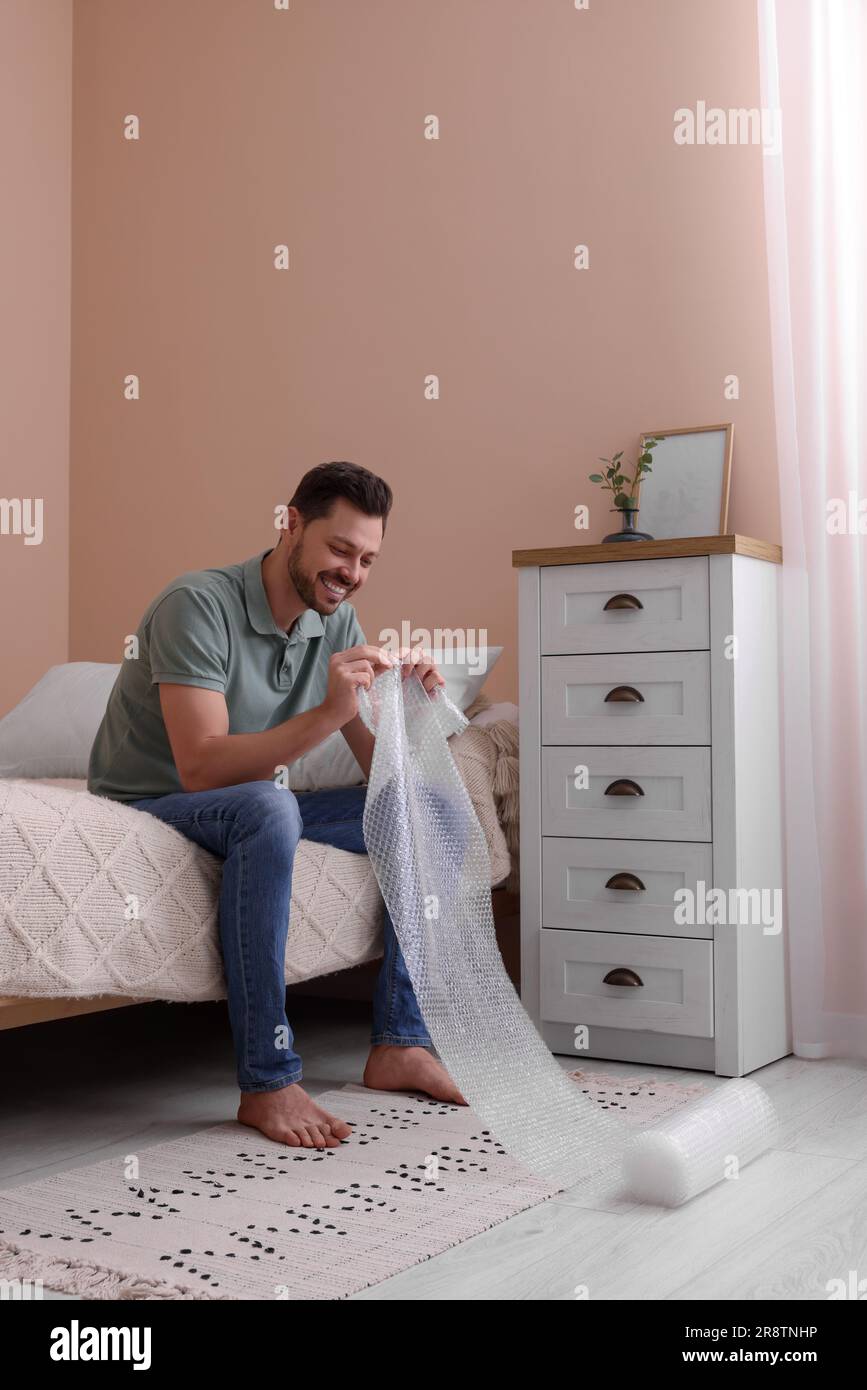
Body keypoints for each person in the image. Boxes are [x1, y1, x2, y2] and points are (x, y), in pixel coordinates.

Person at [87, 460, 466, 1150]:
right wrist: (328, 710)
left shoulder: (336, 617)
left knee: (428, 809)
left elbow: (377, 773)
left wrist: (409, 706)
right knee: (268, 808)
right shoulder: (195, 605)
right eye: (339, 549)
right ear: (290, 524)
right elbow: (200, 766)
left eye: (366, 559)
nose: (350, 571)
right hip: (151, 800)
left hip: (244, 800)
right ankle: (266, 1079)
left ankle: (399, 1044)